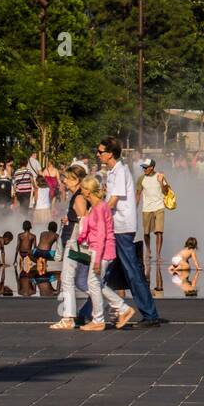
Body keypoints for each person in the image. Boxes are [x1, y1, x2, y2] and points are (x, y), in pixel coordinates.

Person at [98, 137, 164, 328]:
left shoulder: (120, 171)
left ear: (110, 153)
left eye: (100, 151)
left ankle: (150, 315)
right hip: (116, 226)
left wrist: (96, 216)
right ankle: (94, 312)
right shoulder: (112, 172)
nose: (98, 154)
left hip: (122, 228)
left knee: (131, 271)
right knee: (104, 271)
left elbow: (113, 201)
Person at [75, 176, 137, 331]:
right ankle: (121, 309)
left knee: (93, 283)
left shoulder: (101, 207)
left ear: (88, 191)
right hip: (96, 249)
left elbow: (102, 234)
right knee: (96, 283)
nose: (81, 191)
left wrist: (97, 261)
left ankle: (100, 319)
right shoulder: (95, 207)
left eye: (82, 188)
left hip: (101, 250)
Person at [52, 165, 90, 331]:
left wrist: (80, 241)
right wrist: (69, 220)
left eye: (67, 178)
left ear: (77, 180)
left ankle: (68, 318)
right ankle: (109, 301)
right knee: (81, 281)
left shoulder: (79, 197)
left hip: (75, 242)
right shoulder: (78, 195)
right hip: (75, 241)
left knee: (68, 279)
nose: (64, 181)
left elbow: (85, 220)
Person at [137, 157, 170, 262]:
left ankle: (158, 255)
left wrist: (161, 182)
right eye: (143, 167)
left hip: (159, 207)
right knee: (146, 233)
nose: (144, 169)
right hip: (146, 208)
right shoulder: (141, 178)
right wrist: (135, 207)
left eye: (146, 167)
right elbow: (138, 194)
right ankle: (148, 250)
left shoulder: (160, 176)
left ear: (152, 167)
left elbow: (166, 191)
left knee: (159, 231)